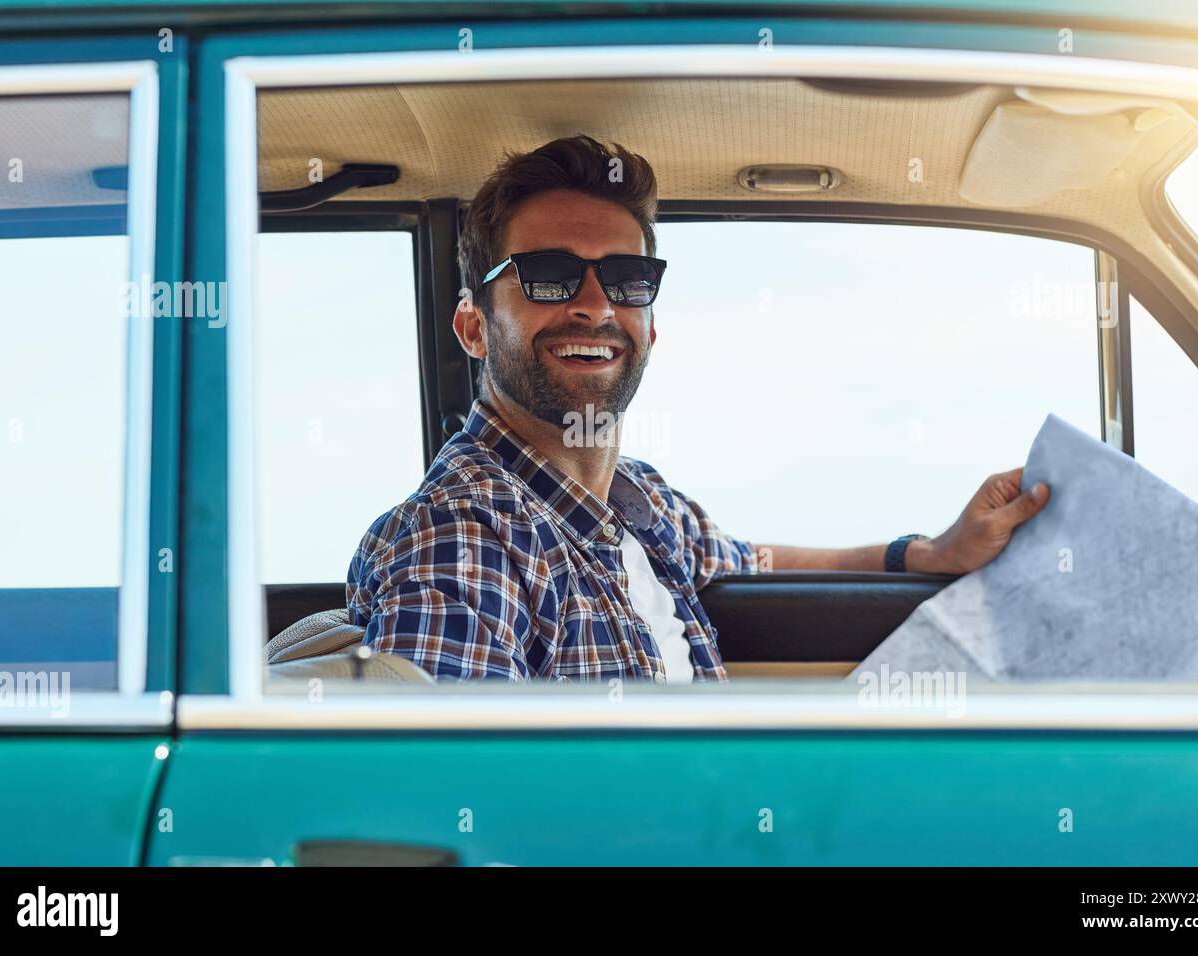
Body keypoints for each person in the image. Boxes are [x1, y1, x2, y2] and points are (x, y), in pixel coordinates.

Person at [346, 135, 1050, 681]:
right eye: (550, 277)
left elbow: (754, 560)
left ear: (650, 323)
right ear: (473, 326)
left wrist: (928, 553)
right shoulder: (464, 539)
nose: (595, 307)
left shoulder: (637, 501)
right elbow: (450, 808)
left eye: (626, 280)